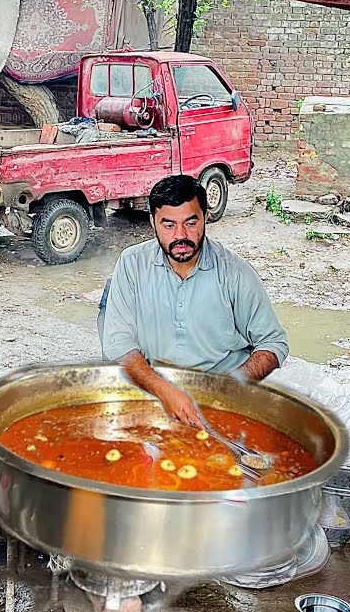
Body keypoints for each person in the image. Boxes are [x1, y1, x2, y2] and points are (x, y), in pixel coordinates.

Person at [99, 174, 288, 426]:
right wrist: (163, 390)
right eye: (168, 225)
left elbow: (273, 342)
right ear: (152, 222)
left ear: (206, 217)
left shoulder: (235, 272)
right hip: (152, 386)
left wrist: (232, 385)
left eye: (191, 222)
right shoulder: (132, 264)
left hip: (220, 396)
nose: (180, 235)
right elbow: (118, 342)